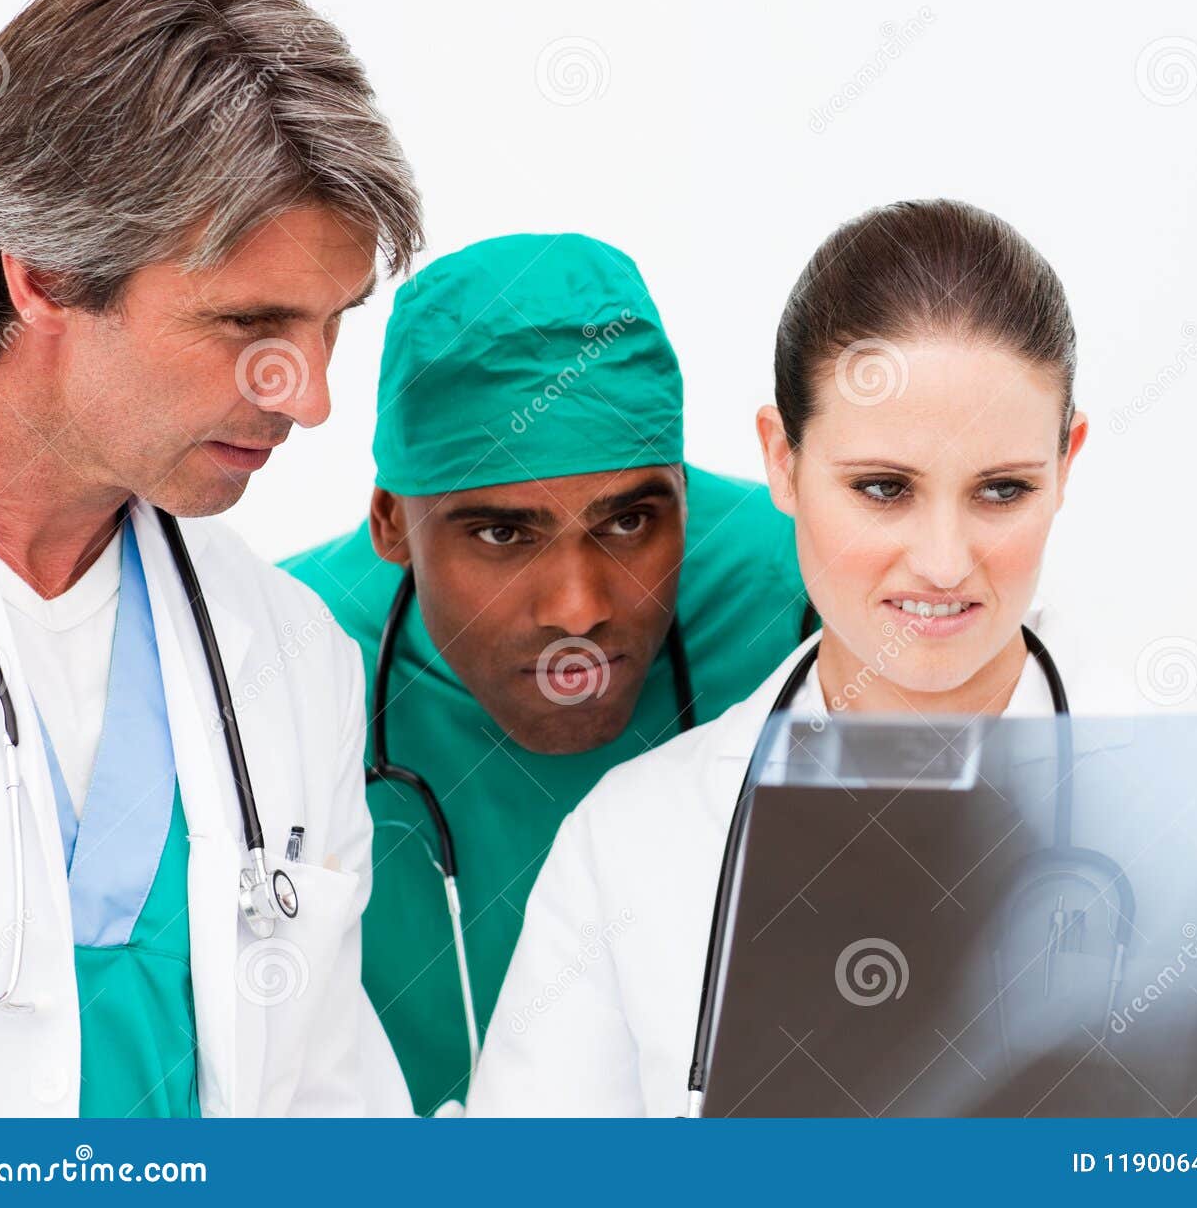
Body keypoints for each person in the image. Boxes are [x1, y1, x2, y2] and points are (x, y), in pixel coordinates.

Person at [467, 198, 1124, 1116]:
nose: (942, 559)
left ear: (1068, 464)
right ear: (782, 460)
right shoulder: (631, 843)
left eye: (1002, 490)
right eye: (883, 489)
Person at [0, 0, 423, 1117]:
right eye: (247, 321)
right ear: (41, 272)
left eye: (330, 322)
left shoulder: (293, 658)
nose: (309, 396)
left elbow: (324, 1117)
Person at [281, 232, 813, 1115]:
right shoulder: (274, 656)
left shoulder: (803, 591)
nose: (577, 608)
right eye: (501, 534)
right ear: (389, 524)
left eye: (631, 522)